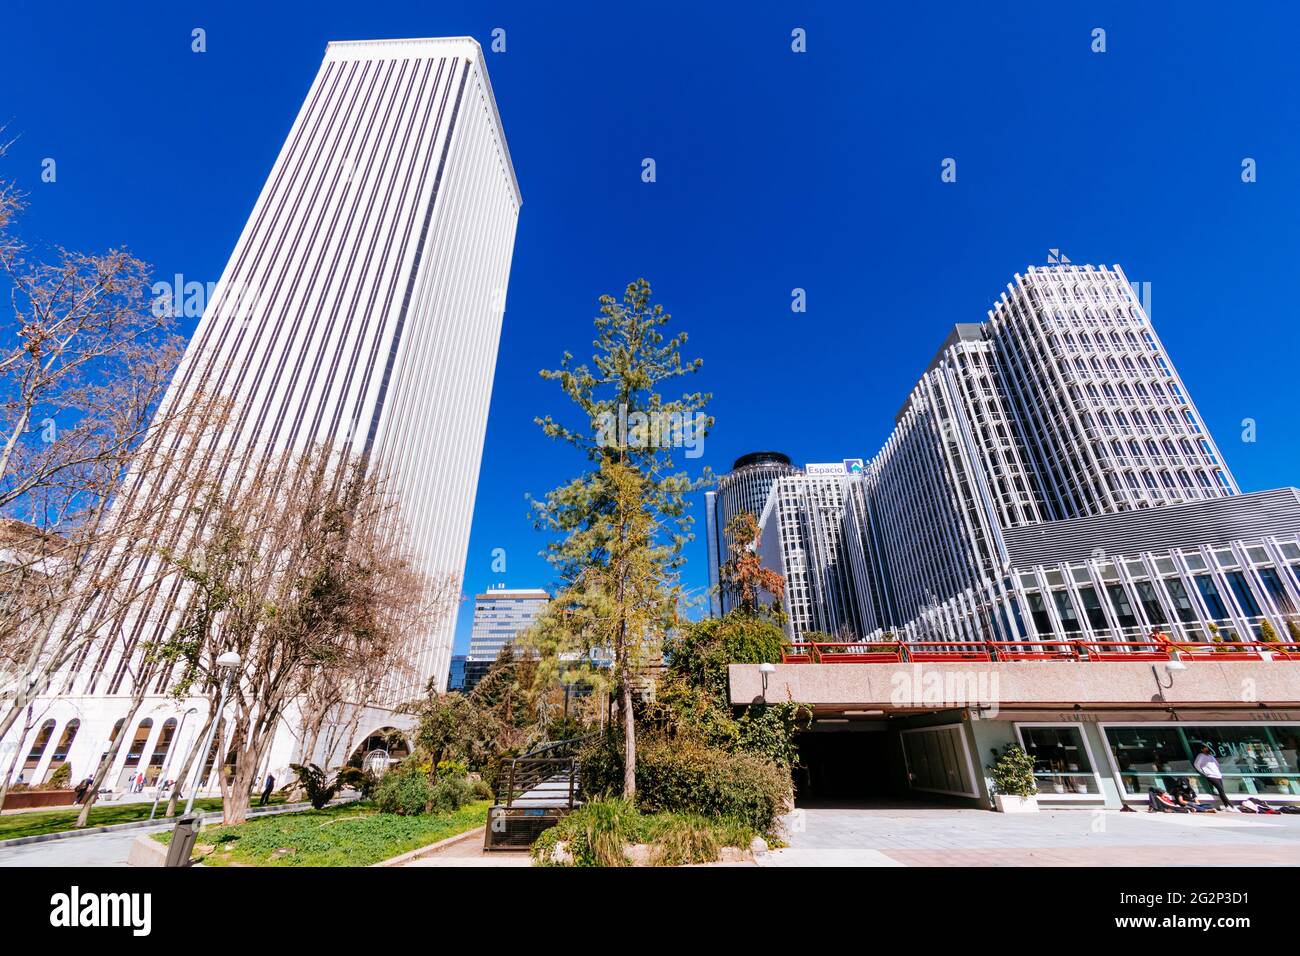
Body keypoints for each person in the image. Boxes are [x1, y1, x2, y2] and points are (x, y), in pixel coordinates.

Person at [1194, 744, 1234, 810]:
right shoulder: (1201, 756)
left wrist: (1217, 771)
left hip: (1218, 775)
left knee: (1222, 792)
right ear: (1202, 749)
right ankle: (1232, 807)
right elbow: (1196, 764)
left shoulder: (1211, 756)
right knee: (1221, 791)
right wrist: (1203, 772)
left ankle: (1227, 806)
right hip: (1211, 776)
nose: (1207, 749)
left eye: (1207, 748)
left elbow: (1217, 764)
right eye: (1205, 748)